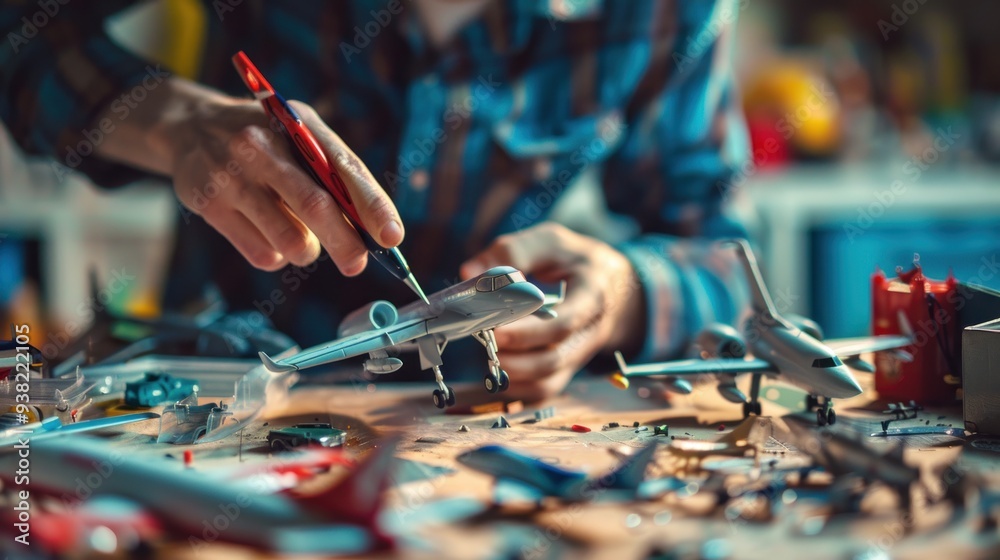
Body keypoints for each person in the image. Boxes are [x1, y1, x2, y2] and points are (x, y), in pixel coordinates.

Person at [0, 0, 749, 400]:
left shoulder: (663, 12)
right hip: (232, 387)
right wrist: (171, 120)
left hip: (485, 427)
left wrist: (622, 295)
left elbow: (722, 254)